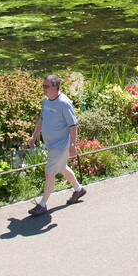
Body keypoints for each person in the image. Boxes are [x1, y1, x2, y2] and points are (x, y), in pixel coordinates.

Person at [27, 75, 85, 216]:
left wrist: (72, 144)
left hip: (61, 145)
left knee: (49, 173)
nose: (44, 89)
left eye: (46, 86)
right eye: (43, 86)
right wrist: (34, 136)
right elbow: (42, 119)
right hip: (51, 145)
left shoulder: (64, 103)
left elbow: (73, 125)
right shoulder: (46, 101)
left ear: (55, 87)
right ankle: (78, 190)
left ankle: (43, 204)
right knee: (62, 167)